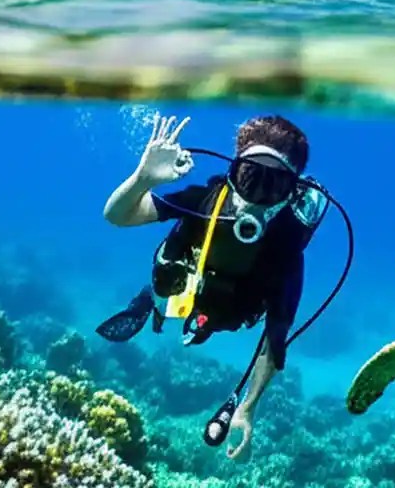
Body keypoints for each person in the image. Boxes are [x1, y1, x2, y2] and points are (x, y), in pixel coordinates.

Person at [96, 111, 327, 460]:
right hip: (181, 284)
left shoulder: (286, 247)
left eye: (274, 184)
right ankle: (148, 305)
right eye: (250, 178)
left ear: (292, 191)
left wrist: (247, 409)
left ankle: (174, 314)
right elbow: (117, 216)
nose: (257, 198)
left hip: (227, 313)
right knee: (163, 291)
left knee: (210, 322)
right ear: (233, 173)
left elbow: (274, 342)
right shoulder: (204, 200)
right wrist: (143, 178)